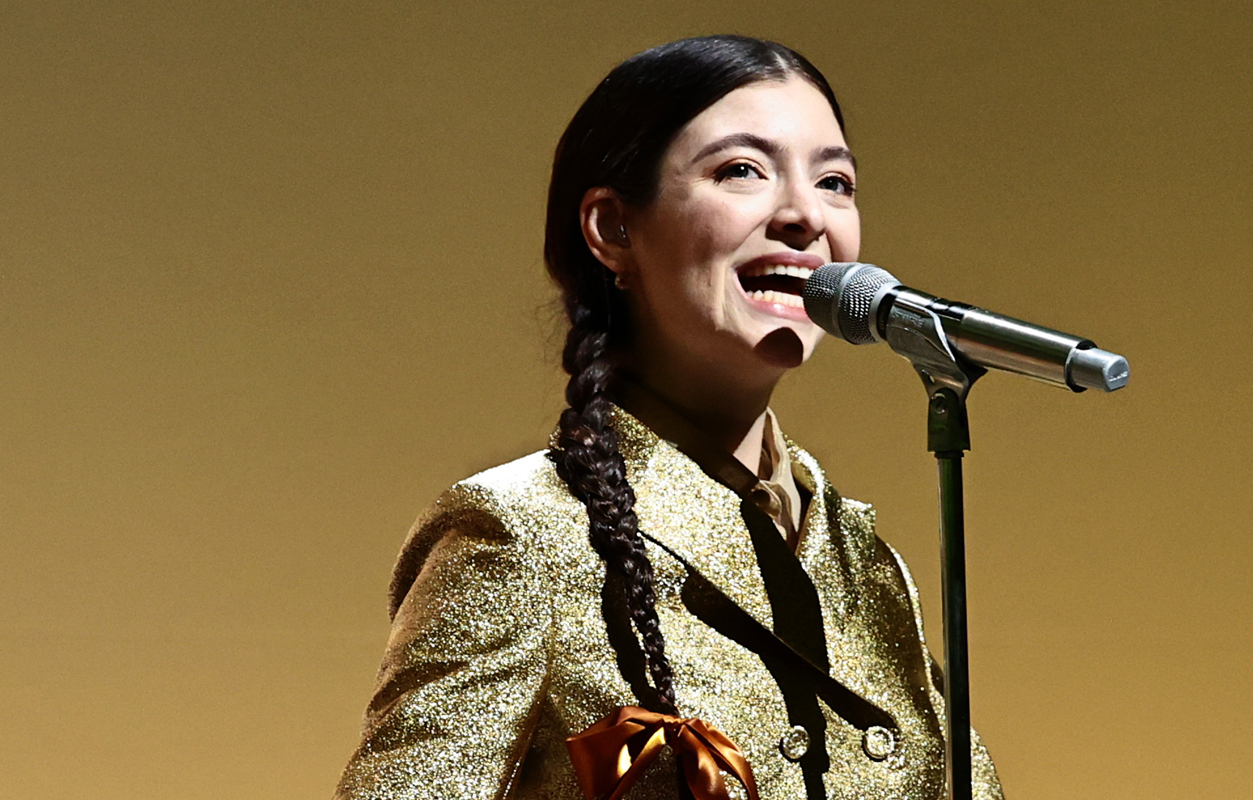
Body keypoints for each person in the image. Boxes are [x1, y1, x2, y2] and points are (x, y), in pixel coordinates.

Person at [335, 35, 1003, 800]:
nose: (804, 214)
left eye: (835, 181)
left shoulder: (863, 561)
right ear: (613, 229)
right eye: (742, 170)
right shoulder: (516, 535)